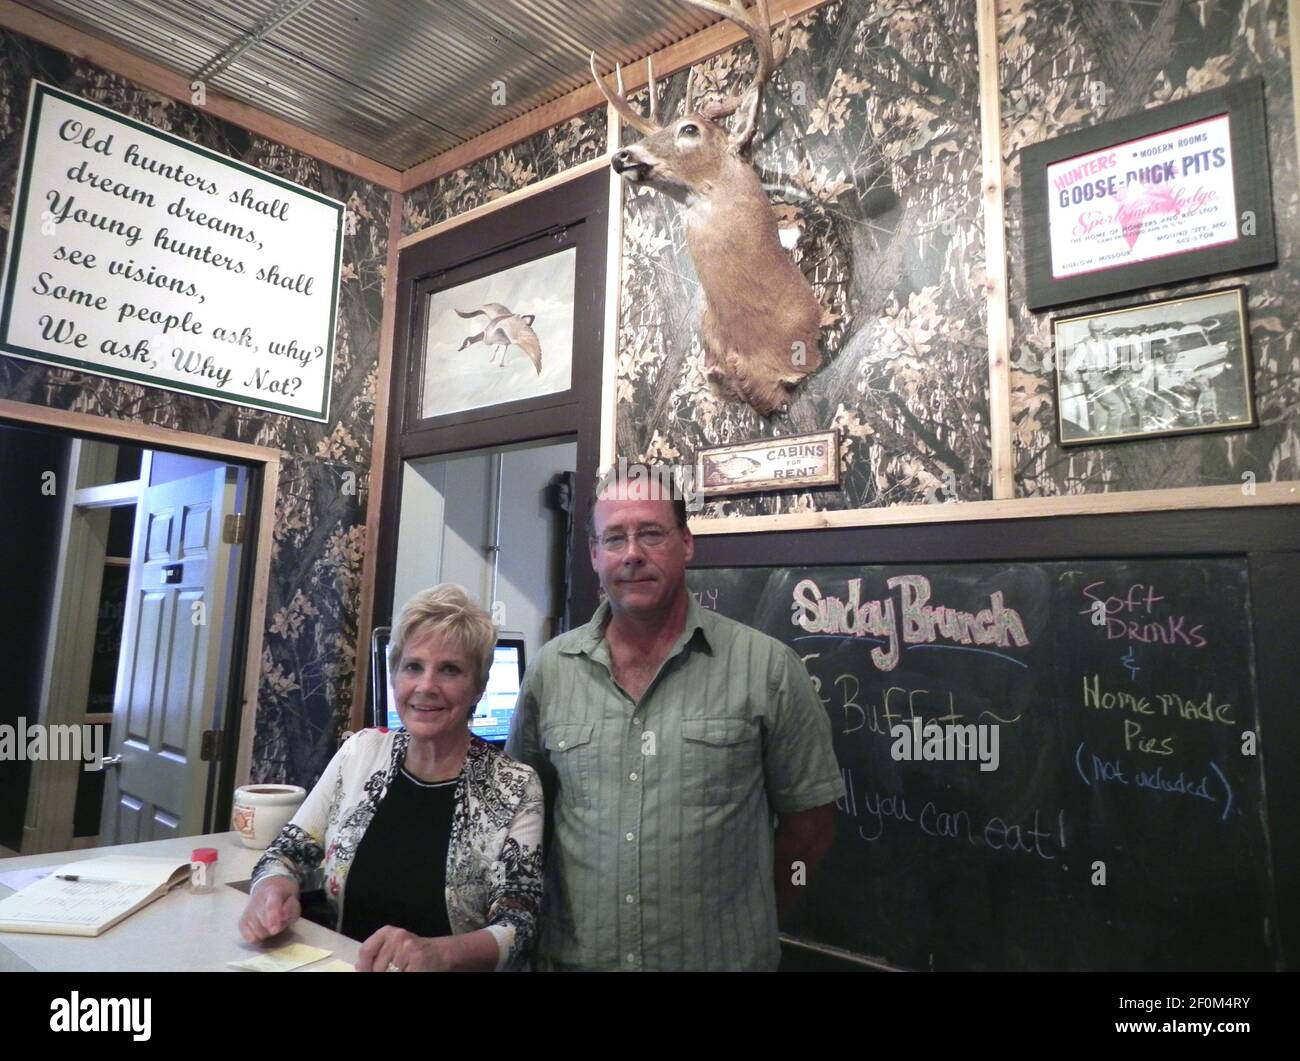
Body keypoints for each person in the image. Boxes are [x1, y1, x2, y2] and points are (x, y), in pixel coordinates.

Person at [506, 469, 844, 971]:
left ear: (686, 543)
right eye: (614, 538)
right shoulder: (550, 673)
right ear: (595, 555)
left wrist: (764, 912)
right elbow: (526, 819)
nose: (632, 553)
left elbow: (810, 831)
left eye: (650, 533)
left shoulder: (766, 669)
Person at [239, 585, 544, 971]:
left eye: (450, 669)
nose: (426, 686)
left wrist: (439, 953)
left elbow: (520, 925)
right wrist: (272, 890)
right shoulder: (361, 752)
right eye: (413, 666)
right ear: (395, 675)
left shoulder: (515, 785)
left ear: (478, 688)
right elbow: (285, 853)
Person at [1063, 318, 1128, 435]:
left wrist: (1120, 366)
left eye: (1101, 330)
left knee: (1101, 416)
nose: (1098, 333)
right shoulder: (1084, 346)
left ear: (1104, 328)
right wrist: (1082, 378)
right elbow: (1068, 370)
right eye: (1095, 330)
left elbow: (1113, 362)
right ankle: (1114, 435)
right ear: (1090, 330)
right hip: (1095, 381)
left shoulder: (1107, 342)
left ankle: (1103, 440)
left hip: (1108, 379)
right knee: (1117, 407)